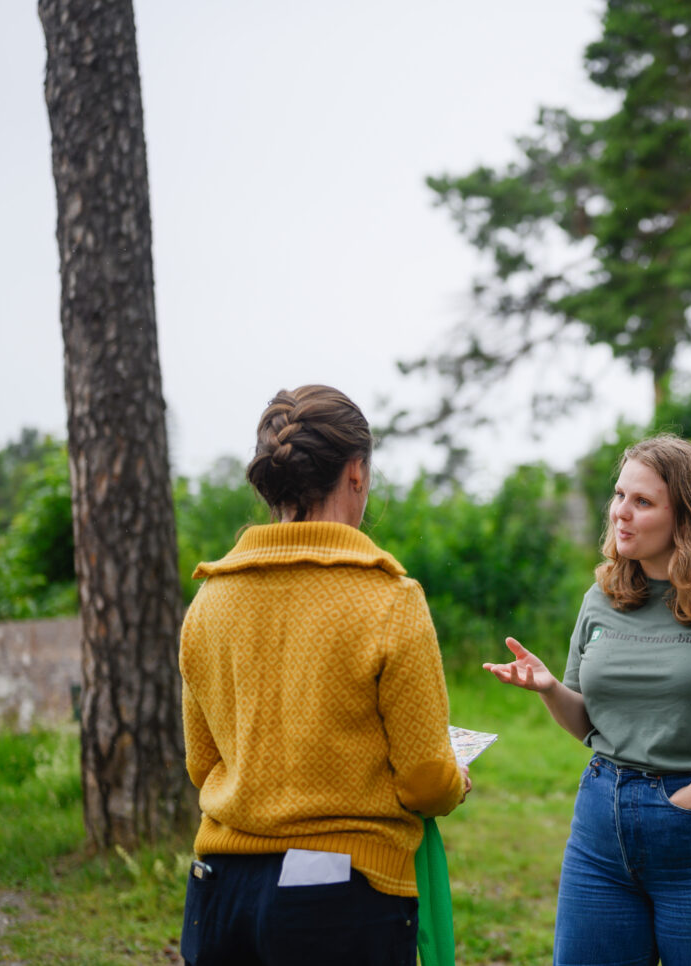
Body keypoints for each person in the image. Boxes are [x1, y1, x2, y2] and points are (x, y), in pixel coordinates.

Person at [484, 433, 691, 966]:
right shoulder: (603, 596)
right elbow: (589, 720)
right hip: (600, 832)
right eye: (618, 496)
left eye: (642, 502)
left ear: (688, 516)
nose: (620, 514)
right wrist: (549, 689)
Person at [178, 384, 468, 966]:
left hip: (219, 892)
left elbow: (202, 764)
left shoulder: (209, 598)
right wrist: (454, 777)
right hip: (342, 901)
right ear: (356, 472)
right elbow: (424, 782)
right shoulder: (390, 599)